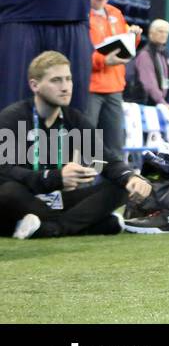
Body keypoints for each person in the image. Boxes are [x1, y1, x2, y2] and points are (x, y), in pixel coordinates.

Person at [0, 51, 152, 239]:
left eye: (68, 79)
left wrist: (131, 178)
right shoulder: (13, 117)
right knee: (7, 192)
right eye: (56, 80)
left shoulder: (73, 119)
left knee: (122, 188)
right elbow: (4, 170)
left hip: (54, 201)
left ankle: (52, 228)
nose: (65, 87)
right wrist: (54, 177)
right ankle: (90, 224)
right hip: (22, 199)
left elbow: (103, 160)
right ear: (34, 85)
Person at [86, 0, 141, 165]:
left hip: (114, 88)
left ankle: (113, 192)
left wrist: (134, 37)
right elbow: (78, 53)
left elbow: (125, 49)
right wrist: (102, 61)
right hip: (90, 89)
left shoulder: (116, 13)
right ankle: (83, 191)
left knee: (115, 146)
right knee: (87, 145)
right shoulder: (81, 16)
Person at [131, 19, 169, 108]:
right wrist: (163, 103)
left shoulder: (165, 53)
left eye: (166, 32)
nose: (164, 35)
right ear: (151, 33)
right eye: (160, 31)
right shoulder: (145, 54)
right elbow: (149, 84)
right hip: (145, 105)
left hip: (160, 104)